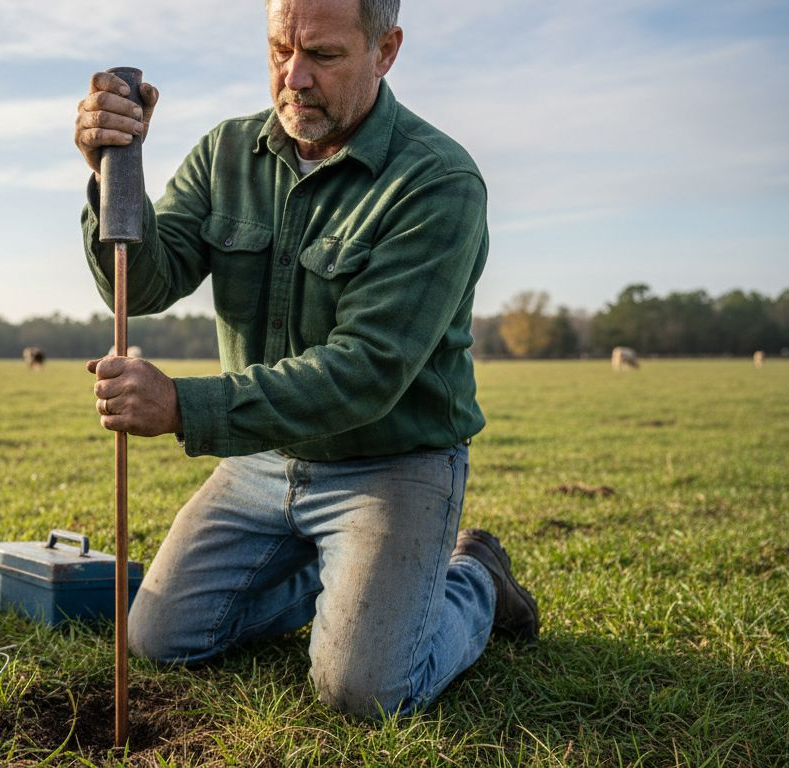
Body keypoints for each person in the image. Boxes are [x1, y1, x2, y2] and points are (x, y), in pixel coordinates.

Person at [73, 0, 539, 718]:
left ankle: (473, 577)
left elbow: (367, 371)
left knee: (361, 691)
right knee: (159, 638)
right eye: (278, 50)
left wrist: (181, 406)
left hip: (390, 461)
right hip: (261, 457)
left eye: (322, 56)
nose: (294, 77)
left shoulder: (438, 182)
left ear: (385, 51)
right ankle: (343, 576)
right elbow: (148, 282)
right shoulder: (226, 154)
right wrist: (111, 177)